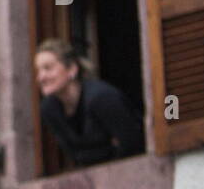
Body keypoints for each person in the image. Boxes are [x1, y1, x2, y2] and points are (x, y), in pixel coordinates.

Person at [34, 37, 144, 167]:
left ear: (72, 70)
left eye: (48, 68)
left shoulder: (102, 98)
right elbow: (76, 155)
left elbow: (132, 146)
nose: (41, 77)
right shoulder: (49, 109)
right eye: (38, 70)